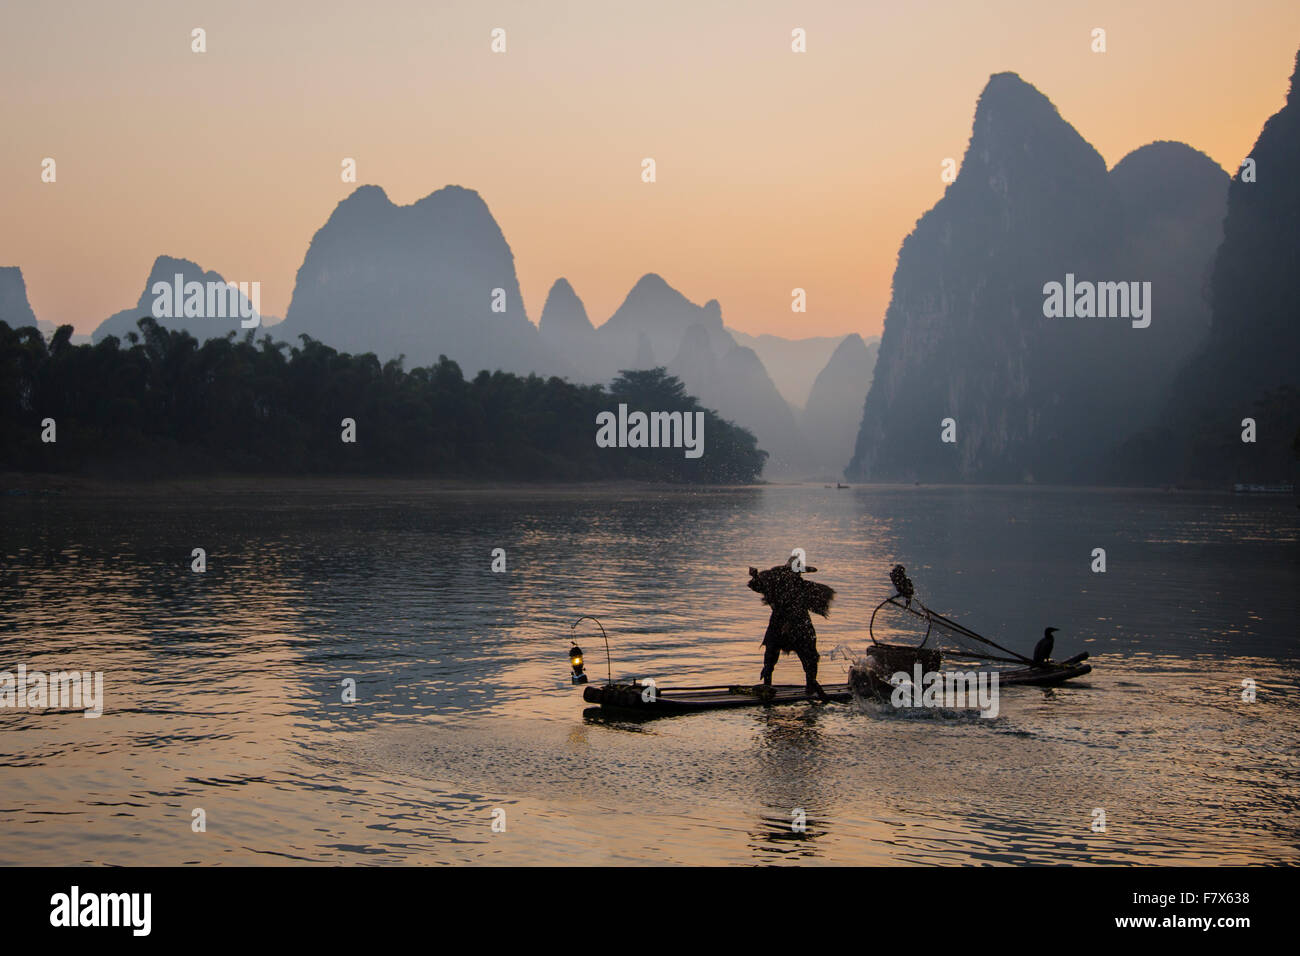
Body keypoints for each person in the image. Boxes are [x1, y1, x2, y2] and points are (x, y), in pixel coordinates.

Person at [748, 556, 836, 700]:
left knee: (809, 657)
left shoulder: (800, 587)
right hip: (786, 626)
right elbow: (757, 585)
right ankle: (768, 685)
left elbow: (758, 586)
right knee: (771, 657)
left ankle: (810, 685)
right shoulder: (778, 585)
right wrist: (755, 576)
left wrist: (756, 577)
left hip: (797, 627)